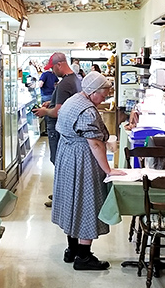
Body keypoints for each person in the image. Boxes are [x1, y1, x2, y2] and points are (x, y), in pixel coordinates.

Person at [51, 70, 126, 270]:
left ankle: (72, 249)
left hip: (66, 156)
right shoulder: (88, 111)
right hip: (82, 159)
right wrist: (108, 169)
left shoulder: (73, 101)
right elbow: (95, 144)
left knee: (71, 201)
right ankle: (83, 257)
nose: (106, 97)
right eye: (104, 93)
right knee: (86, 202)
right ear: (93, 92)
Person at [33, 52, 81, 206]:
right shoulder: (74, 79)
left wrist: (44, 111)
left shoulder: (65, 84)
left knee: (59, 162)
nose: (52, 71)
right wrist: (51, 103)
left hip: (58, 129)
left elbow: (58, 112)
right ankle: (62, 194)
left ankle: (62, 198)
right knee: (62, 162)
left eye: (53, 68)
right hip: (67, 129)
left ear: (59, 64)